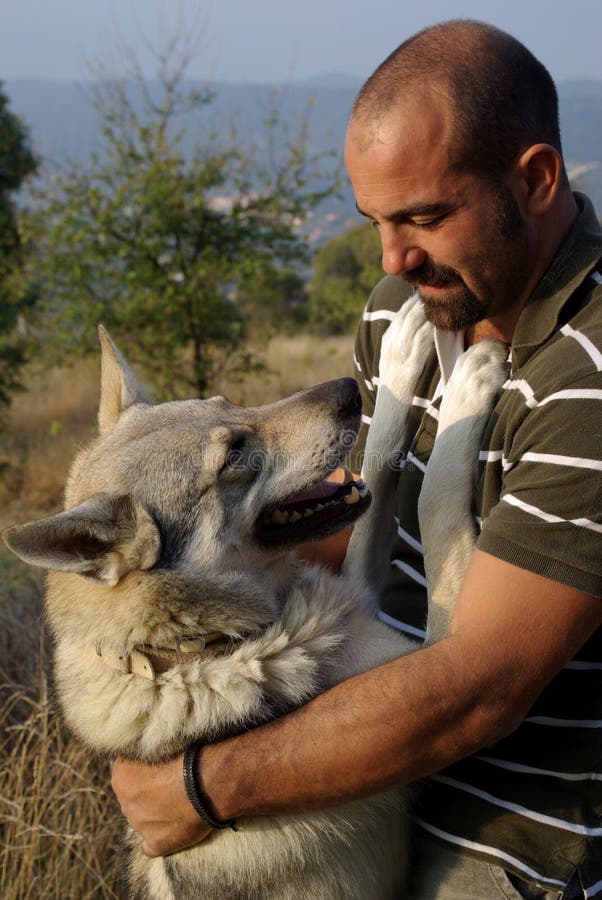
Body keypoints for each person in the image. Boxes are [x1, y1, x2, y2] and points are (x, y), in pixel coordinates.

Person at [111, 20, 602, 899]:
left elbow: (480, 690)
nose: (391, 258)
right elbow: (334, 543)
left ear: (534, 180)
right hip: (348, 746)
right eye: (375, 218)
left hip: (502, 838)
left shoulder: (590, 374)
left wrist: (206, 785)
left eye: (424, 216)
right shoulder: (404, 305)